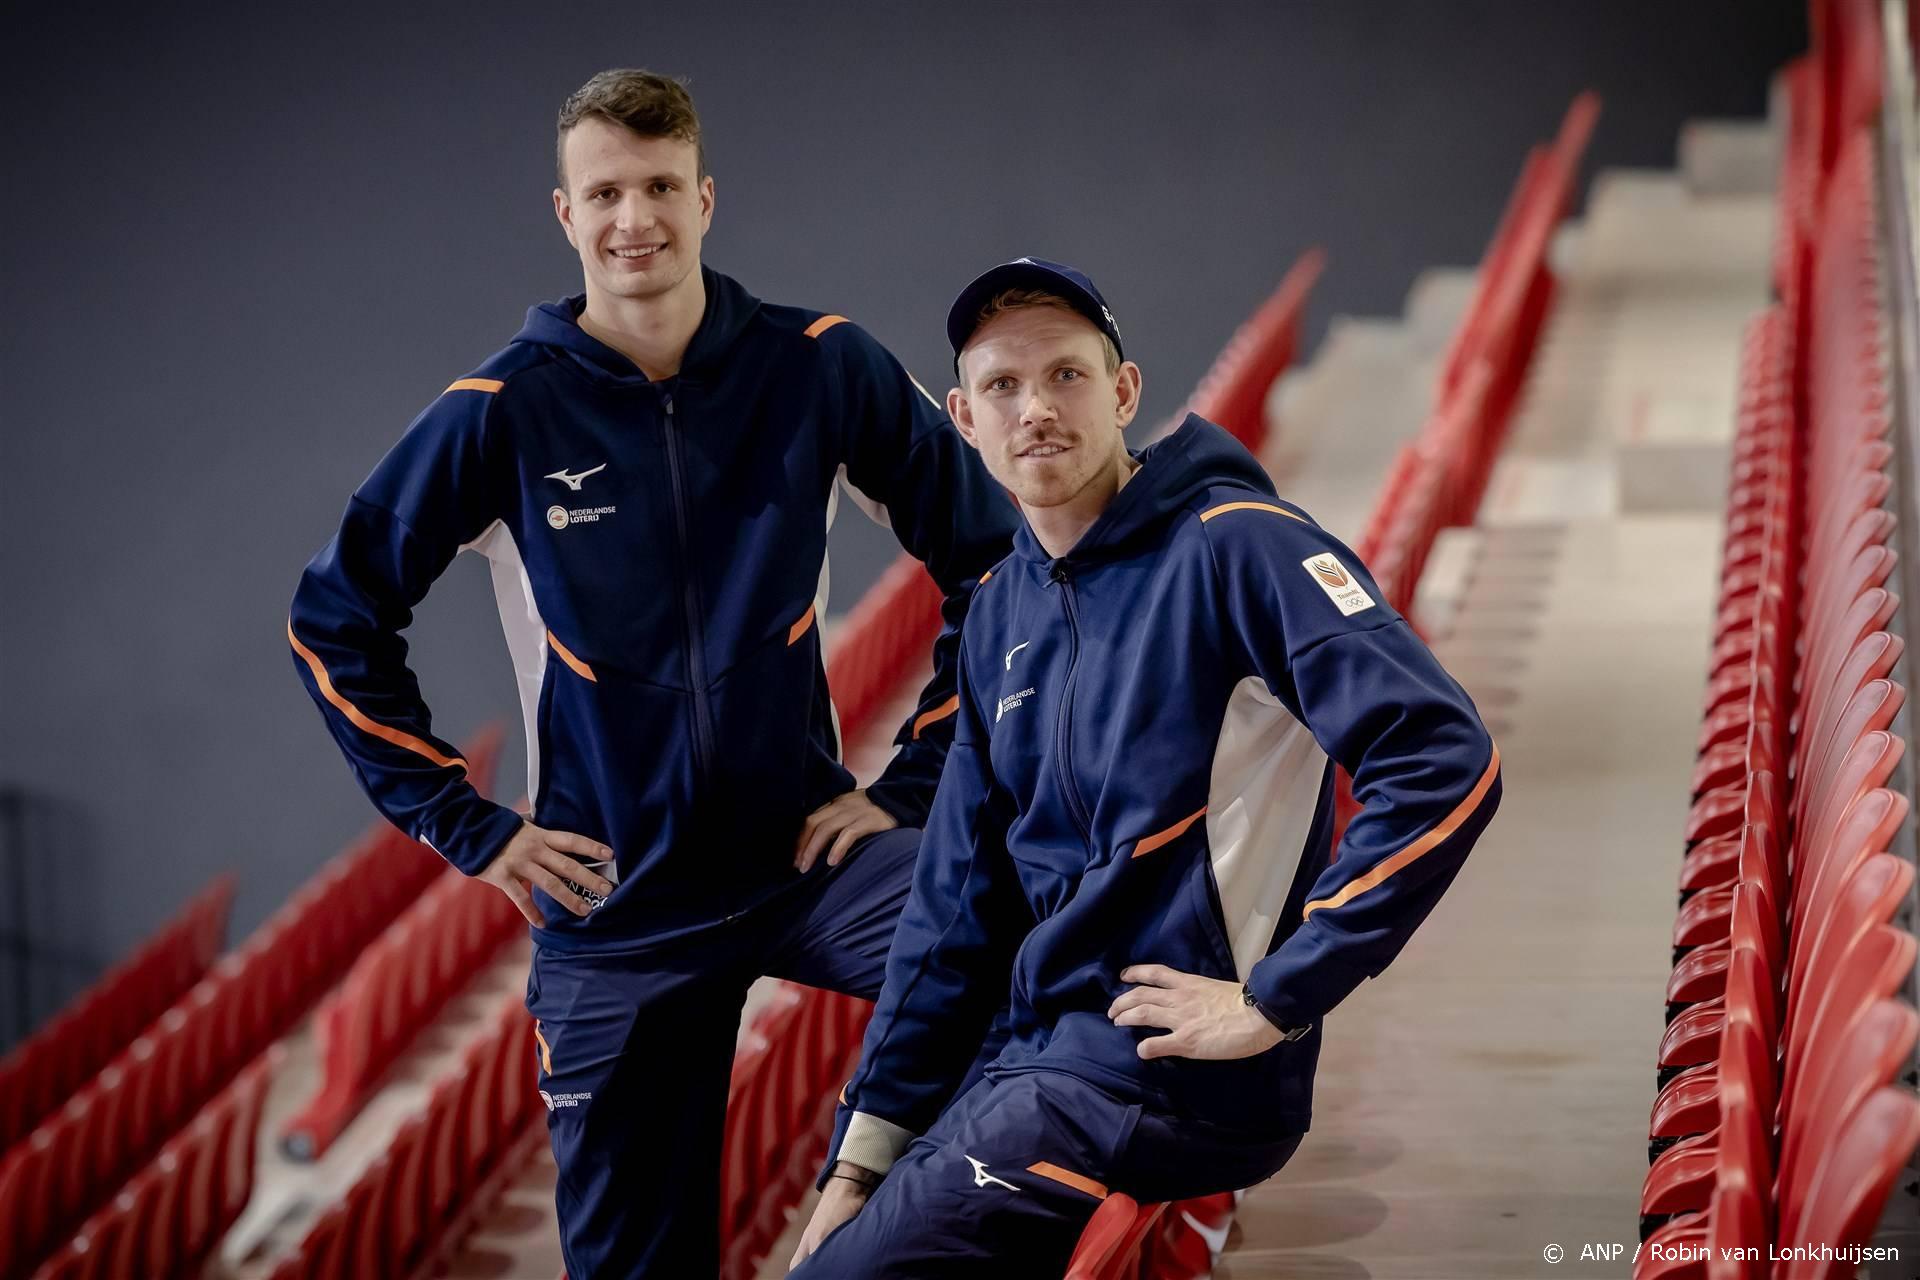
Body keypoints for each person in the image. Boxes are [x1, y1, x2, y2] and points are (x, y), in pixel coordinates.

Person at [287, 70, 1017, 1277]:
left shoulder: (815, 364)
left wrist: (913, 781)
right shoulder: (501, 413)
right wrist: (469, 827)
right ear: (566, 215)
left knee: (1015, 941)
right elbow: (333, 616)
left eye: (662, 186)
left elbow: (995, 568)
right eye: (608, 191)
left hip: (800, 861)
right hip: (613, 909)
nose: (639, 218)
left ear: (707, 197)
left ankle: (869, 1220)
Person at [790, 259, 1502, 1275]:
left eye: (1067, 376)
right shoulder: (1000, 612)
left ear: (1123, 392)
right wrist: (857, 1162)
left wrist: (1273, 996)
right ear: (963, 417)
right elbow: (951, 911)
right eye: (1003, 386)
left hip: (1167, 1078)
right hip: (1043, 1057)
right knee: (832, 1243)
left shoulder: (1238, 549)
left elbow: (1445, 758)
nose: (1036, 409)